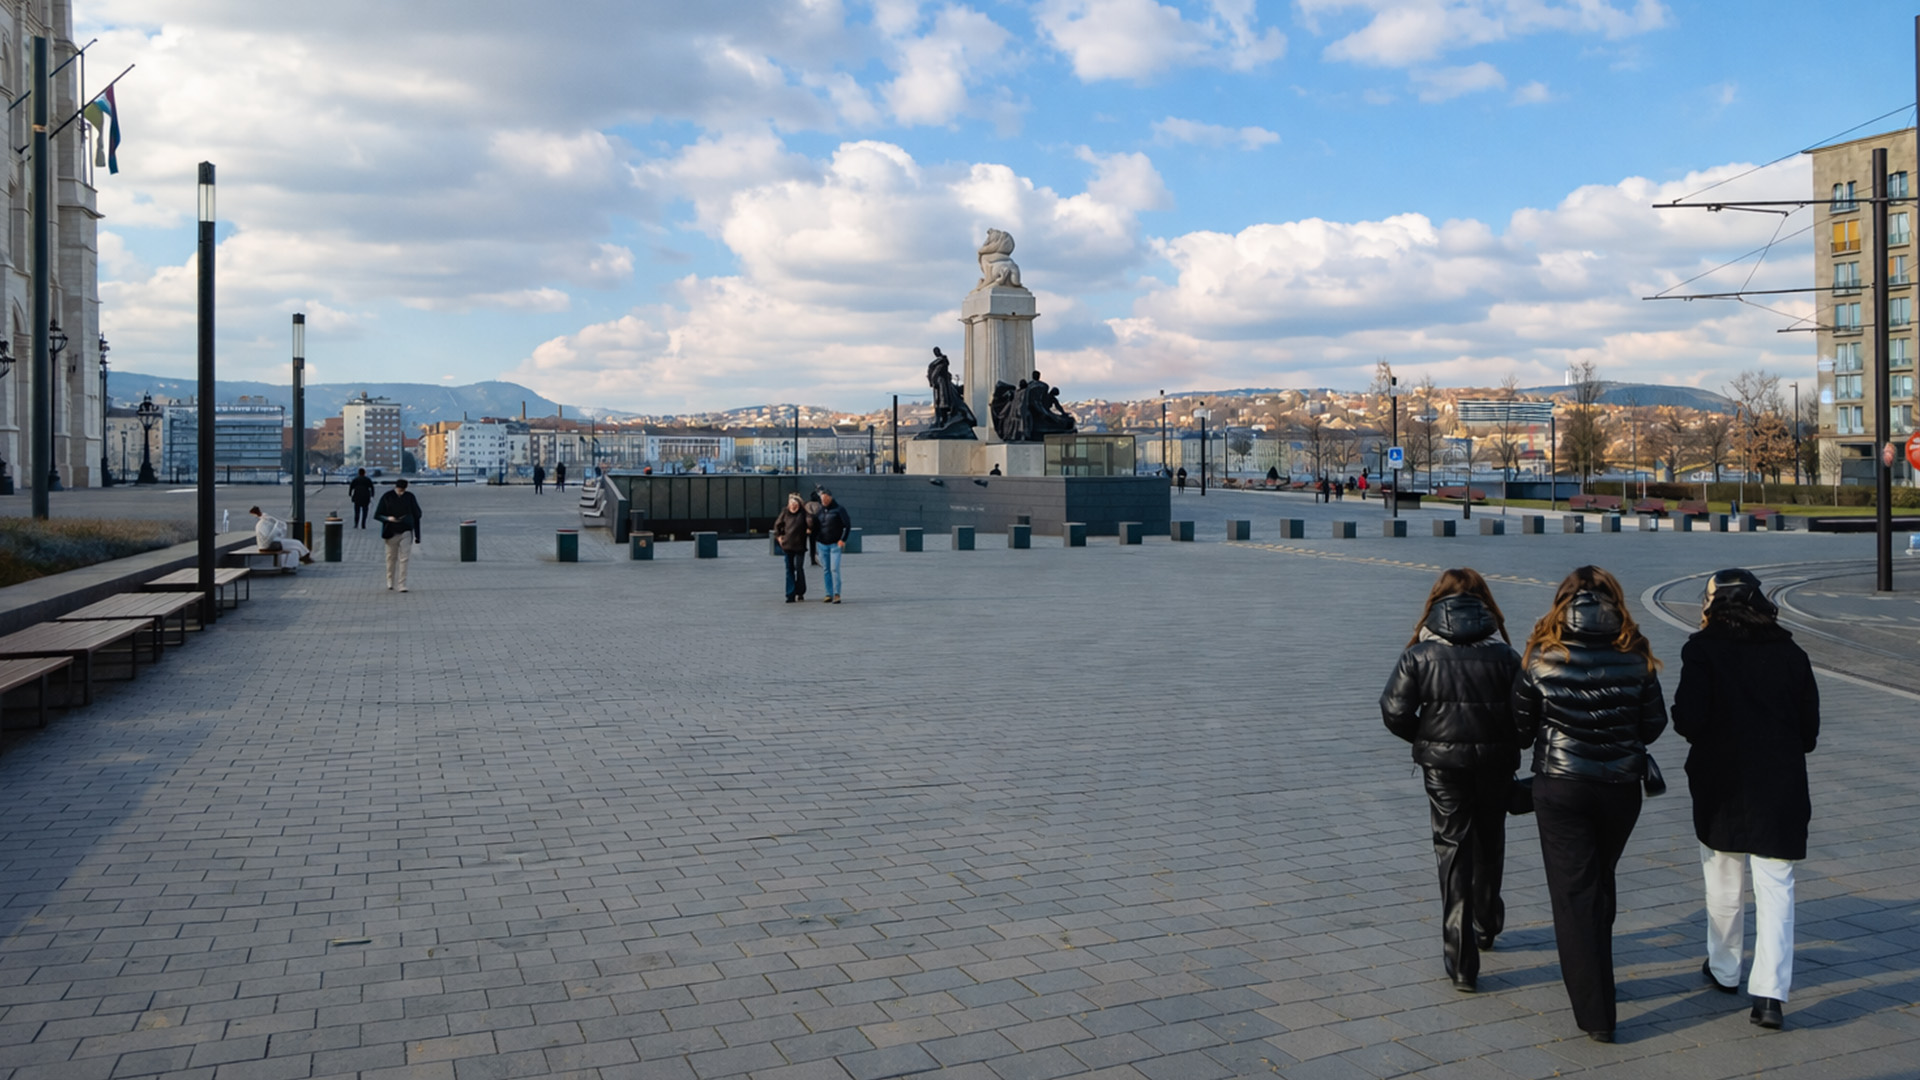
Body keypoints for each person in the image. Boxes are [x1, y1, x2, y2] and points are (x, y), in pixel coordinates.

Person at [1512, 565, 1667, 1043]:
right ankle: (1600, 976)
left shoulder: (1540, 655)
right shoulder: (1636, 654)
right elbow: (1653, 726)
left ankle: (1596, 1012)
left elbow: (1518, 730)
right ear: (1615, 603)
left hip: (1560, 786)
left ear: (1562, 604)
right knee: (1600, 878)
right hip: (1620, 787)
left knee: (1575, 893)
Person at [1672, 569, 1820, 1031]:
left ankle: (1725, 968)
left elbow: (1689, 721)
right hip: (1779, 785)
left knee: (1723, 877)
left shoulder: (1702, 649)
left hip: (1721, 783)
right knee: (1777, 888)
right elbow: (1808, 734)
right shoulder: (1792, 652)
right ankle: (1771, 997)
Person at [1380, 568, 1521, 993]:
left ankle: (1461, 961)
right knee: (1491, 837)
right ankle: (1486, 919)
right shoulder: (1506, 655)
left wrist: (1429, 735)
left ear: (1437, 604)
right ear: (1484, 605)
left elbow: (1393, 710)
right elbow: (1525, 713)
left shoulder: (1420, 654)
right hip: (1496, 762)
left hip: (1443, 768)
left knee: (1453, 847)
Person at [374, 479, 424, 592]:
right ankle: (390, 580)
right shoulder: (387, 497)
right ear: (396, 487)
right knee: (391, 558)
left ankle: (402, 584)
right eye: (400, 489)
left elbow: (417, 514)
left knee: (404, 558)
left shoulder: (410, 497)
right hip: (391, 531)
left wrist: (417, 535)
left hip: (406, 530)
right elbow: (377, 514)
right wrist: (387, 518)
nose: (401, 492)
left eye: (403, 490)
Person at [813, 489, 852, 604]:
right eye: (822, 499)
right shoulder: (820, 511)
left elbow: (848, 525)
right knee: (826, 569)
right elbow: (816, 525)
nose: (823, 501)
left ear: (830, 497)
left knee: (834, 569)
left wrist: (843, 540)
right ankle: (828, 593)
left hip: (835, 544)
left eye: (825, 499)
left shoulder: (839, 510)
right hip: (822, 544)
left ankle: (837, 594)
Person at [773, 493, 810, 602]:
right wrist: (779, 537)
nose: (793, 506)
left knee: (799, 568)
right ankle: (790, 594)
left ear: (799, 504)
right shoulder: (785, 512)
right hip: (787, 545)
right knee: (789, 569)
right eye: (791, 504)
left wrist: (810, 527)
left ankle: (800, 591)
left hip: (800, 546)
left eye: (795, 504)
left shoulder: (803, 513)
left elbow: (811, 523)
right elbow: (777, 525)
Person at [247, 506, 313, 568]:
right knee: (297, 543)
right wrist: (278, 531)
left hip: (268, 544)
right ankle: (304, 557)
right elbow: (269, 536)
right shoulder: (264, 523)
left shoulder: (262, 523)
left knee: (295, 548)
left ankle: (303, 557)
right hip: (271, 544)